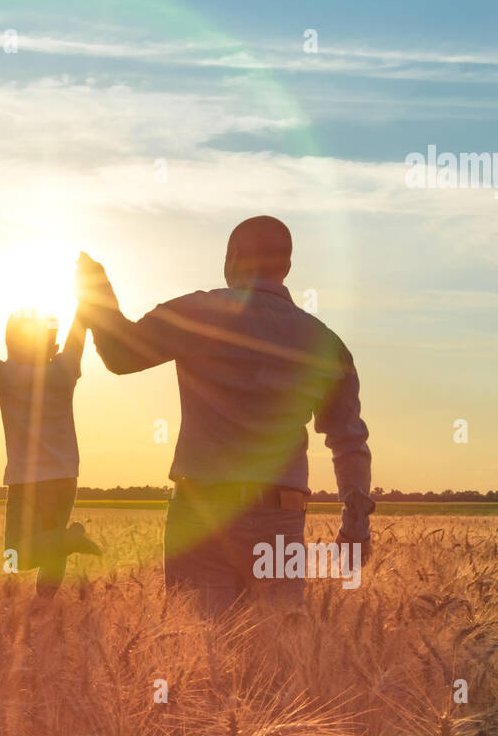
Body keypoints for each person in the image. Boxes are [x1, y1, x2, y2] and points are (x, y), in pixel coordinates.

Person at [75, 216, 374, 616]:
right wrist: (356, 527)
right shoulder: (326, 344)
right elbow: (348, 441)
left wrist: (97, 293)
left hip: (200, 516)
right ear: (286, 267)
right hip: (279, 524)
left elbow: (120, 354)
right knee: (275, 660)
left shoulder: (198, 312)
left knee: (199, 655)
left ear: (232, 258)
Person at [0, 306, 101, 598]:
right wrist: (86, 293)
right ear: (52, 343)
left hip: (26, 480)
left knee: (16, 555)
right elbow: (81, 328)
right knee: (53, 549)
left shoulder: (5, 375)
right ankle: (45, 605)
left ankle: (69, 539)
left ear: (10, 343)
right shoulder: (63, 370)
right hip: (64, 477)